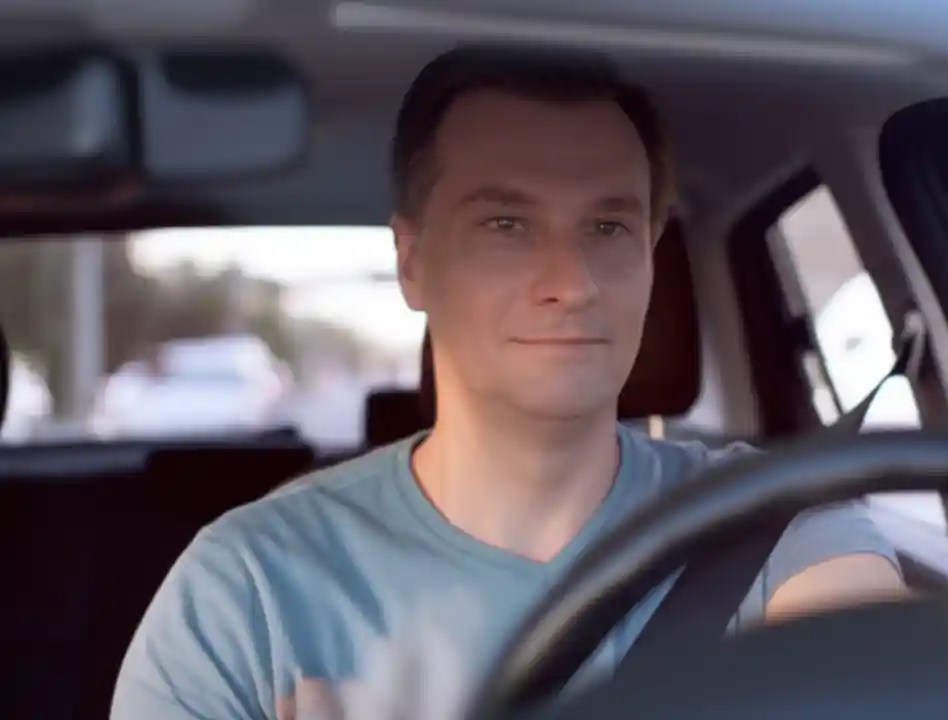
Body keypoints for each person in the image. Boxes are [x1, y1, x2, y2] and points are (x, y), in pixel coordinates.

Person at [111, 46, 906, 719]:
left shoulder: (779, 528)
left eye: (607, 226)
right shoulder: (245, 592)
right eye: (506, 225)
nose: (571, 280)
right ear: (414, 261)